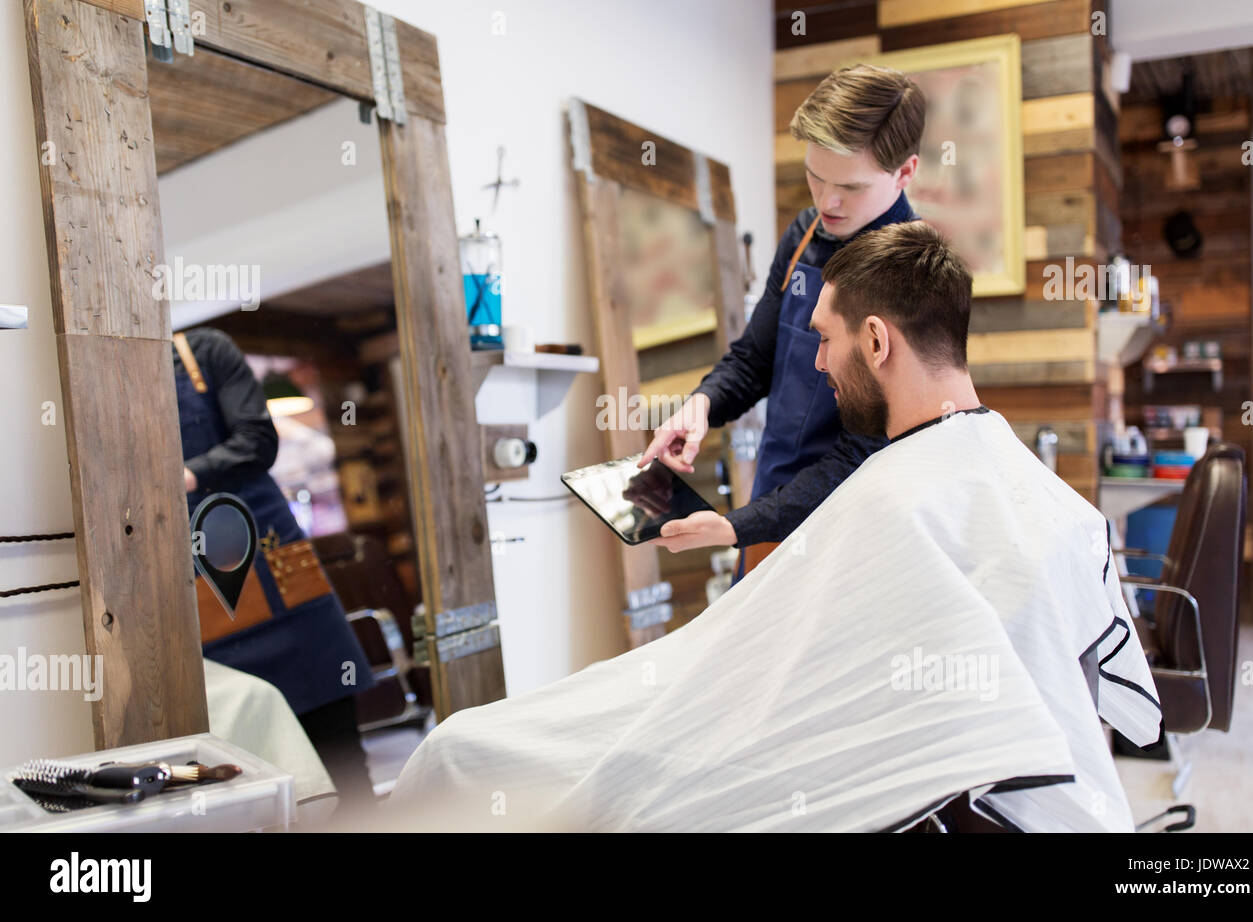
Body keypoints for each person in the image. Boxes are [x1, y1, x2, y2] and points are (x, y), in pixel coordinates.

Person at [388, 224, 1162, 832]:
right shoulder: (1052, 502)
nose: (819, 363)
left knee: (462, 750)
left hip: (774, 750)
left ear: (879, 342)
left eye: (825, 339)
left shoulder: (896, 501)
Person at [639, 64, 925, 576]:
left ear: (905, 172)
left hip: (850, 535)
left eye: (850, 187)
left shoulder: (912, 276)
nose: (827, 201)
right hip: (770, 511)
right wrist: (701, 405)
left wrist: (738, 525)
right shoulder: (803, 234)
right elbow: (754, 359)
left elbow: (863, 454)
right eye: (815, 176)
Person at [173, 327, 376, 809]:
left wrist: (185, 475)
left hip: (284, 585)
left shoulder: (203, 353)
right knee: (251, 775)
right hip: (204, 601)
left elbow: (258, 440)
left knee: (344, 761)